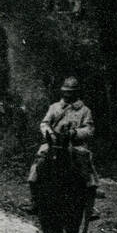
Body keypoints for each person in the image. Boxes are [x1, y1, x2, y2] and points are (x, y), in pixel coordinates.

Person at [38, 76, 100, 220]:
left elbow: (89, 129)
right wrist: (50, 133)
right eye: (66, 91)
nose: (68, 95)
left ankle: (90, 207)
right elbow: (44, 123)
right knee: (39, 159)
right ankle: (34, 200)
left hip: (76, 145)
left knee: (87, 166)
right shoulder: (54, 107)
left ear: (76, 93)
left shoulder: (85, 110)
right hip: (54, 142)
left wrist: (75, 133)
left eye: (71, 92)